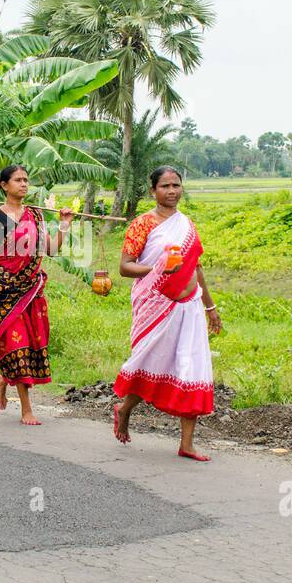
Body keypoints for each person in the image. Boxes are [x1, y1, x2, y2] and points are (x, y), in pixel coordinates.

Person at [112, 166, 222, 461]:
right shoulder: (142, 224)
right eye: (165, 186)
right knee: (151, 361)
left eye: (176, 185)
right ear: (153, 191)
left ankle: (186, 444)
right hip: (156, 304)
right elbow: (125, 267)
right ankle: (124, 409)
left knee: (193, 368)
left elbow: (196, 267)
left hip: (191, 306)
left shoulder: (187, 224)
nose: (172, 191)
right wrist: (159, 268)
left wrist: (210, 307)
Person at [0, 165, 73, 426]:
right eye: (18, 180)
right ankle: (26, 409)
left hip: (31, 288)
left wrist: (65, 225)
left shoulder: (35, 215)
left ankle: (3, 379)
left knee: (30, 342)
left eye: (26, 180)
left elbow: (52, 249)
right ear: (4, 185)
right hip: (3, 287)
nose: (24, 184)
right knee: (16, 342)